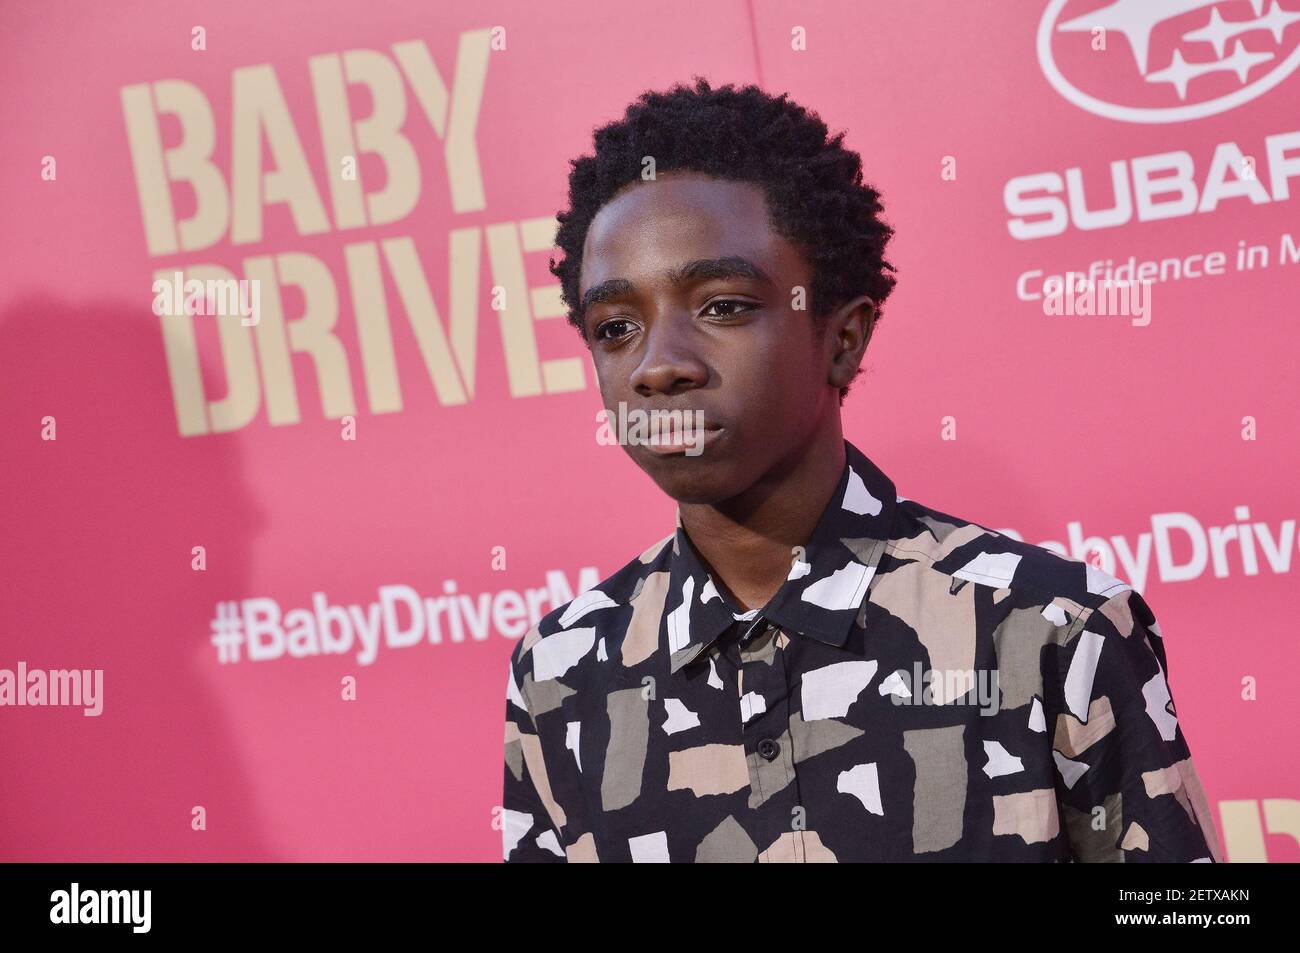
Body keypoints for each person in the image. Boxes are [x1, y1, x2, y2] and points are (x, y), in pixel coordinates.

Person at [501, 77, 1221, 863]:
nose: (658, 366)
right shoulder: (563, 671)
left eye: (723, 306)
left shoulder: (1052, 629)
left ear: (842, 339)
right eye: (615, 326)